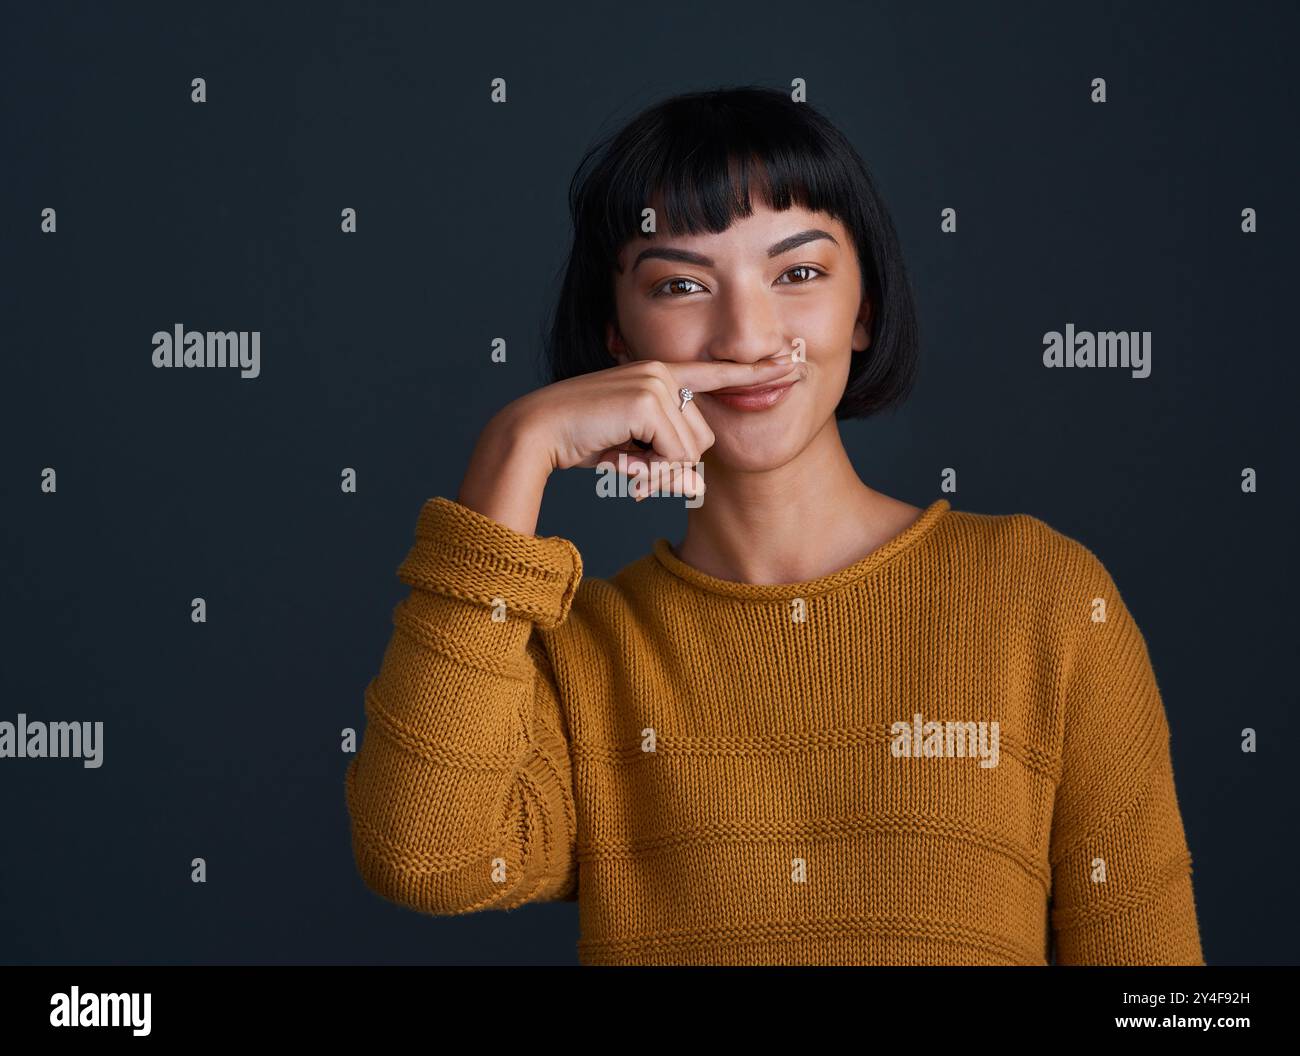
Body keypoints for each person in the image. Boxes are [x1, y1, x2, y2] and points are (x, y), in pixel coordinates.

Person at [343, 85, 1204, 965]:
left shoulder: (1045, 598)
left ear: (863, 307)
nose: (748, 336)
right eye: (681, 285)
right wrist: (516, 445)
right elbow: (424, 856)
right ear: (616, 339)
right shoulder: (581, 656)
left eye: (799, 273)